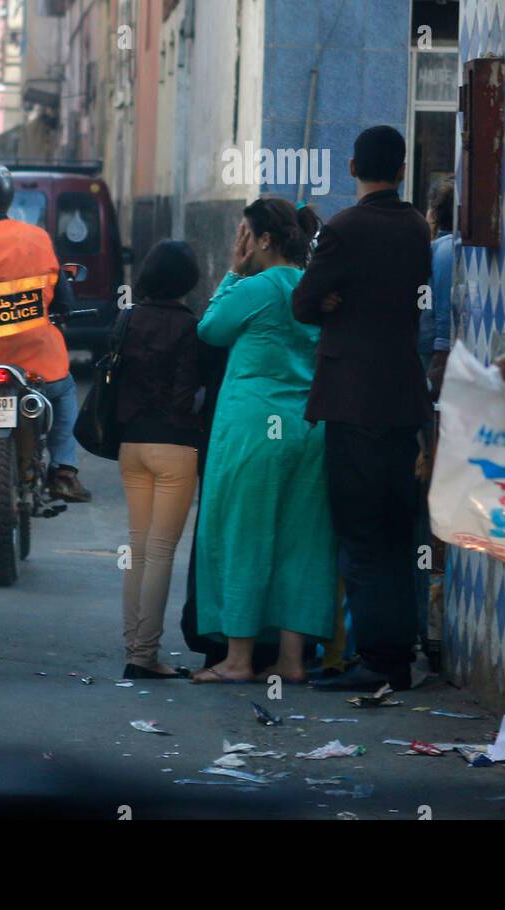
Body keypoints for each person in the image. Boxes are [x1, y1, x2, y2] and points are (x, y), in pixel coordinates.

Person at [292, 126, 432, 692]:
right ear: (401, 170)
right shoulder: (419, 227)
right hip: (403, 398)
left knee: (361, 532)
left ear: (352, 167)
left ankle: (375, 660)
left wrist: (330, 301)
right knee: (397, 532)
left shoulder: (344, 229)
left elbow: (303, 302)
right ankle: (395, 656)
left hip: (353, 398)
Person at [191, 198, 337, 684]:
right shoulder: (313, 286)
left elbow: (210, 330)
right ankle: (293, 662)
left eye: (245, 235)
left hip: (255, 430)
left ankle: (237, 659)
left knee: (243, 535)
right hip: (310, 427)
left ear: (265, 240)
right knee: (304, 543)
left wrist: (233, 273)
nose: (242, 243)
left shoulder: (258, 287)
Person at [0, 158, 92, 503]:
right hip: (38, 366)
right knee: (66, 392)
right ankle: (64, 472)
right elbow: (62, 302)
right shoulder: (37, 239)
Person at [115, 239, 208, 680]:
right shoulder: (192, 327)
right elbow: (187, 395)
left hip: (131, 445)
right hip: (174, 447)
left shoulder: (127, 318)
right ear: (188, 281)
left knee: (137, 546)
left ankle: (135, 644)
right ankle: (145, 655)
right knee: (160, 551)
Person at [419, 176, 455, 402]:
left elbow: (442, 310)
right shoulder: (442, 247)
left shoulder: (443, 250)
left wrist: (440, 358)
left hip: (433, 354)